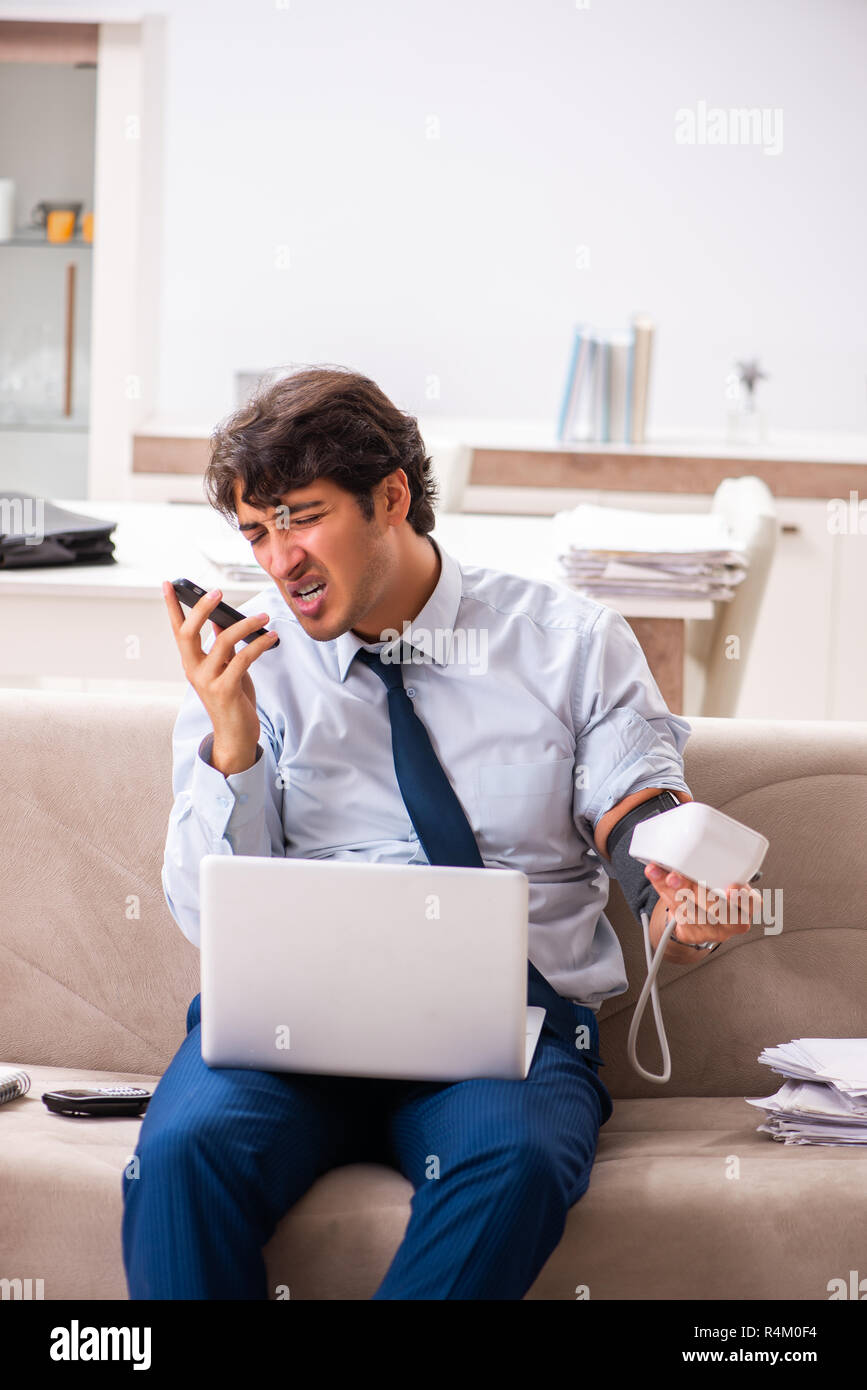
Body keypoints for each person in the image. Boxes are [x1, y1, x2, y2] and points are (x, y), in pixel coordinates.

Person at [121, 365, 760, 1300]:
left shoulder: (566, 642)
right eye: (256, 532)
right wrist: (234, 743)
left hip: (511, 1030)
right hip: (291, 1026)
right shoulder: (251, 664)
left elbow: (638, 813)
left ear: (390, 497)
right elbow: (204, 916)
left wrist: (677, 894)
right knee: (179, 1155)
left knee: (512, 1163)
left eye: (300, 516)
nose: (277, 559)